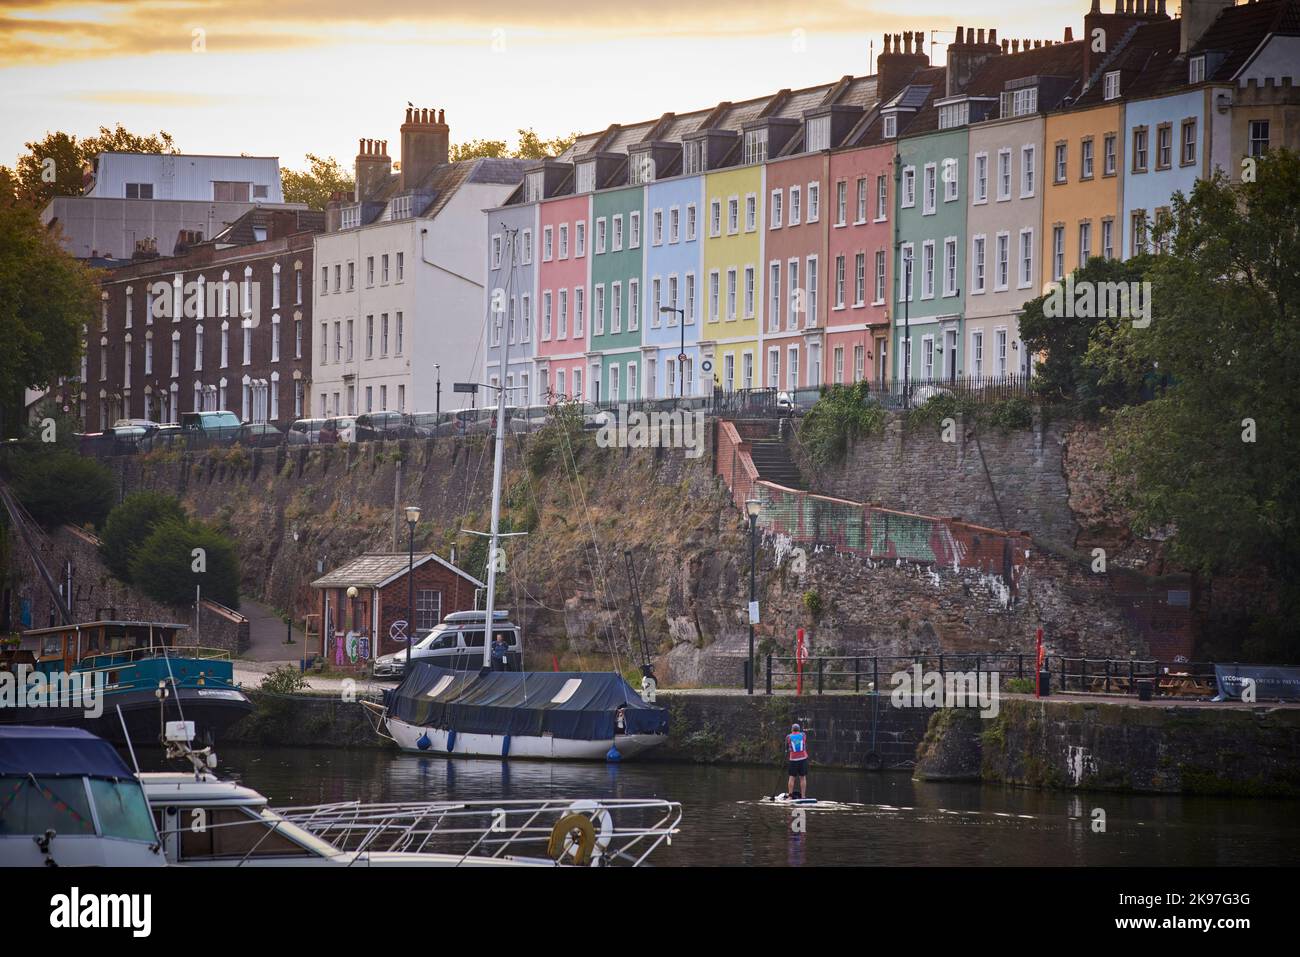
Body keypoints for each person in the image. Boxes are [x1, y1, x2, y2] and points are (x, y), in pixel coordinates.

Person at [785, 723, 809, 799]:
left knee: (792, 778)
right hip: (803, 759)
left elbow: (786, 747)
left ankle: (790, 797)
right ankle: (803, 796)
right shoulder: (803, 735)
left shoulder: (788, 737)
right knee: (803, 778)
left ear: (792, 729)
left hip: (793, 760)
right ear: (799, 729)